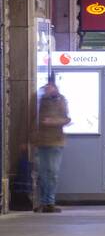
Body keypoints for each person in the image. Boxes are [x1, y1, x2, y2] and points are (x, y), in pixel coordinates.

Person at [32, 80, 72, 213]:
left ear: (55, 87)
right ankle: (43, 202)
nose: (48, 88)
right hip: (41, 141)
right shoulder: (38, 101)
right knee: (42, 173)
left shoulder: (61, 100)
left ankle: (50, 202)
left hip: (56, 141)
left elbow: (66, 119)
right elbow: (31, 119)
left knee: (53, 172)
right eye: (46, 86)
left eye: (50, 86)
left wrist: (53, 122)